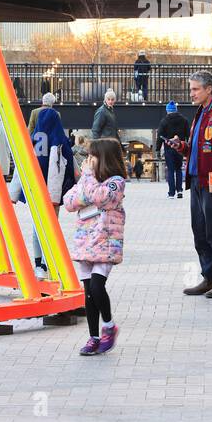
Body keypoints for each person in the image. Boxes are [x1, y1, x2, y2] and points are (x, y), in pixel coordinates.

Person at [168, 70, 212, 299]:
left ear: (209, 89)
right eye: (191, 89)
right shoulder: (200, 112)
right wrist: (181, 147)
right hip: (196, 180)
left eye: (195, 89)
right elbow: (197, 148)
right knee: (200, 232)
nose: (192, 93)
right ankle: (209, 278)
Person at [63, 138, 128, 356]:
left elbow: (102, 198)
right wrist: (86, 189)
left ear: (105, 158)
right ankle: (93, 337)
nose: (88, 161)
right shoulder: (88, 181)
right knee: (88, 292)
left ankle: (109, 327)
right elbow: (69, 201)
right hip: (85, 242)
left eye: (92, 156)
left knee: (98, 287)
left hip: (105, 242)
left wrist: (88, 182)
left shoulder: (115, 182)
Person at [11, 94, 75, 272]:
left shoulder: (32, 141)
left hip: (34, 188)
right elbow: (70, 164)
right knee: (51, 224)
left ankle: (38, 263)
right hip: (52, 191)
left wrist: (14, 193)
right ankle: (49, 260)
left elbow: (20, 166)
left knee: (36, 224)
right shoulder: (59, 139)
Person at [156, 102, 190, 199]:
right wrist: (188, 146)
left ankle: (171, 193)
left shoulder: (164, 121)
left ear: (167, 111)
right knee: (178, 169)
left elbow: (159, 137)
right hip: (180, 148)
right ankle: (179, 191)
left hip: (169, 148)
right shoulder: (184, 120)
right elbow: (188, 134)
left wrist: (158, 150)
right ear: (176, 110)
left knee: (170, 170)